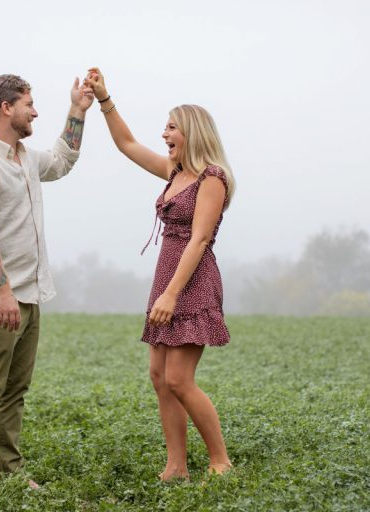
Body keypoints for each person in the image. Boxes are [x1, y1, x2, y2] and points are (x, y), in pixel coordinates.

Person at [84, 67, 236, 480]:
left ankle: (221, 462)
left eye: (171, 127)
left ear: (191, 131)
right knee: (158, 376)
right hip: (164, 280)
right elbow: (127, 144)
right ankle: (176, 466)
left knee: (179, 379)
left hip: (192, 281)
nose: (163, 134)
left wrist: (171, 295)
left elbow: (200, 239)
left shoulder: (212, 178)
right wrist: (104, 99)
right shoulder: (174, 172)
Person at [0, 74, 93, 497]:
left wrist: (79, 109)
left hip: (29, 294)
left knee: (14, 391)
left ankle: (10, 470)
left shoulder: (25, 158)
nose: (35, 111)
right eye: (29, 104)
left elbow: (63, 159)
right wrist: (1, 292)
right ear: (5, 108)